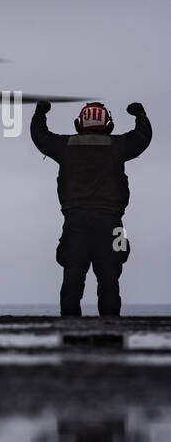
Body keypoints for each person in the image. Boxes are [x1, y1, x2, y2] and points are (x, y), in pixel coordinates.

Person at [31, 100, 152, 316]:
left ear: (79, 124)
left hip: (75, 222)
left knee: (72, 275)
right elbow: (143, 137)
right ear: (109, 125)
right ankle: (111, 326)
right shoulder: (118, 145)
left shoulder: (65, 145)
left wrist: (40, 111)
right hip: (112, 222)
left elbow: (40, 136)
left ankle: (70, 330)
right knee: (110, 275)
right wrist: (140, 114)